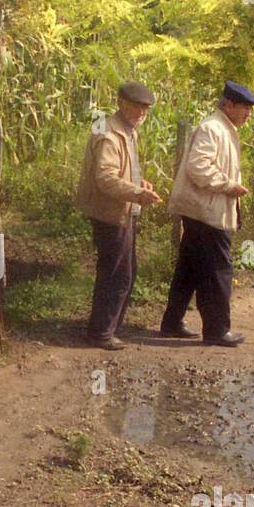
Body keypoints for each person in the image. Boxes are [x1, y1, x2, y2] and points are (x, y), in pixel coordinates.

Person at [159, 80, 254, 348]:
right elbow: (198, 167)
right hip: (207, 212)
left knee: (189, 268)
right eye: (245, 108)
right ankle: (216, 330)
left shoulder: (221, 128)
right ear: (229, 105)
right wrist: (228, 186)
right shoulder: (213, 128)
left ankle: (171, 322)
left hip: (203, 209)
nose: (248, 114)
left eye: (250, 109)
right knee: (217, 270)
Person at [74, 80, 163, 351]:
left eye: (145, 109)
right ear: (121, 103)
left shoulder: (126, 131)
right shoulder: (109, 134)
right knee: (116, 274)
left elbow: (120, 170)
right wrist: (136, 192)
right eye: (136, 107)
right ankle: (101, 332)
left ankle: (108, 327)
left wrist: (139, 183)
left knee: (124, 272)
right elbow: (105, 178)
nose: (141, 114)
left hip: (121, 211)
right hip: (110, 213)